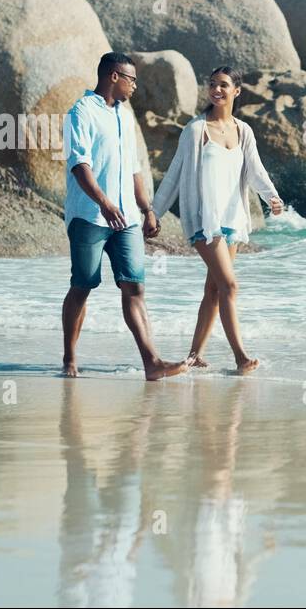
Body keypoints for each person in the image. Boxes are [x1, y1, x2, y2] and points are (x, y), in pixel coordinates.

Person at [61, 52, 188, 380]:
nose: (135, 86)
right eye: (131, 79)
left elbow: (134, 170)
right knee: (82, 286)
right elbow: (79, 165)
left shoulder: (124, 117)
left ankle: (152, 363)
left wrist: (147, 209)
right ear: (114, 76)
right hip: (89, 216)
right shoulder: (81, 112)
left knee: (134, 288)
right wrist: (103, 202)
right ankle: (70, 358)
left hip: (127, 219)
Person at [152, 66, 284, 376]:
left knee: (213, 291)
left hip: (232, 221)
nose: (216, 90)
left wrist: (272, 197)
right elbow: (173, 174)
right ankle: (240, 356)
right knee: (229, 285)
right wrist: (154, 212)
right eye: (212, 84)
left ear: (237, 91)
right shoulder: (195, 130)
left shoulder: (243, 131)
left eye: (224, 85)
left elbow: (255, 170)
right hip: (204, 220)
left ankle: (195, 355)